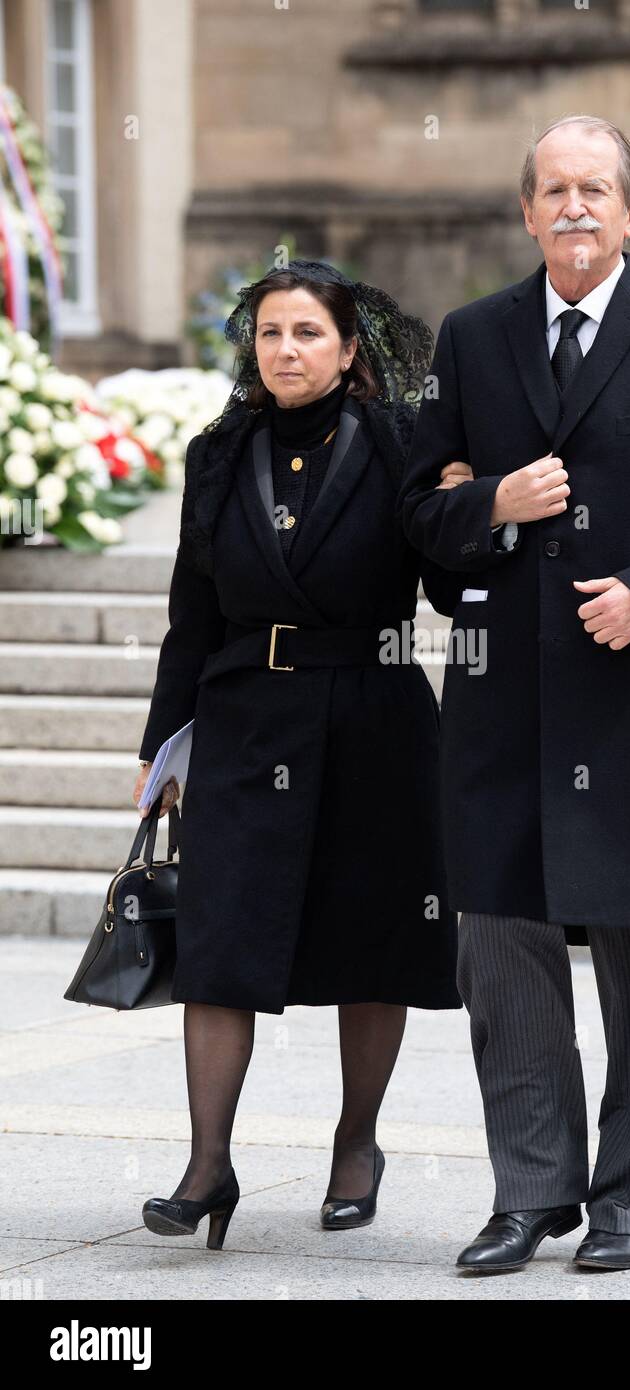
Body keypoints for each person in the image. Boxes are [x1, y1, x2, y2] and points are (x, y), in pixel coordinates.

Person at [399, 115, 630, 1274]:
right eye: (552, 189)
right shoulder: (466, 341)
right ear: (525, 212)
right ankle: (529, 1193)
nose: (572, 206)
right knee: (501, 956)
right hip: (501, 708)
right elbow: (421, 523)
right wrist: (492, 504)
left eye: (593, 189)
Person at [133, 261, 465, 1250]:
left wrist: (468, 508)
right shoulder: (216, 453)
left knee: (372, 944)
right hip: (243, 719)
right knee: (219, 942)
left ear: (349, 347)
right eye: (271, 333)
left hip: (374, 716)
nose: (287, 350)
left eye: (309, 333)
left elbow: (447, 589)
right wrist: (164, 744)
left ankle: (355, 1144)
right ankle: (206, 1164)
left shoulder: (402, 444)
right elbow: (191, 613)